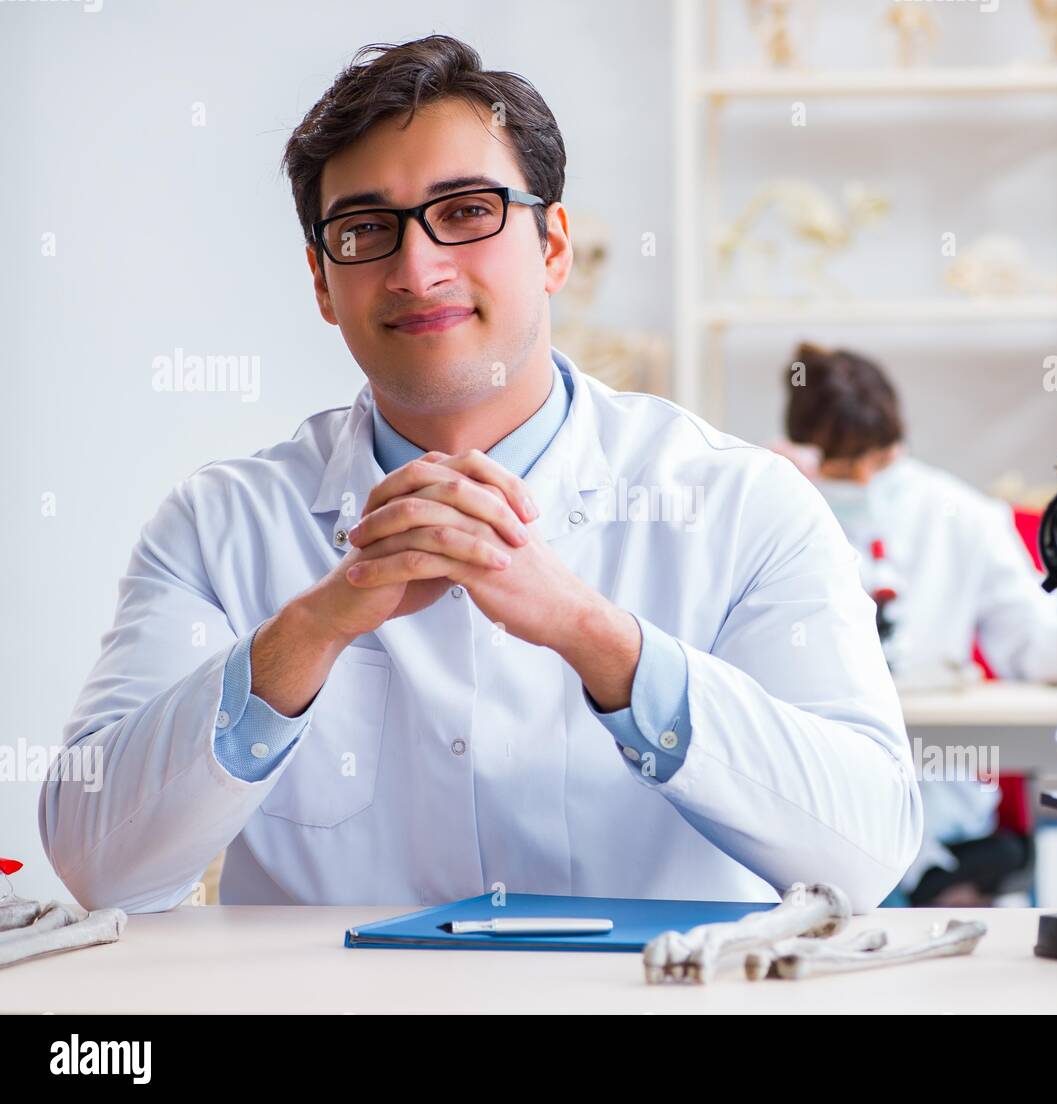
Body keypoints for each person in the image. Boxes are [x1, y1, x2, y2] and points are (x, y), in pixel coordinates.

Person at [40, 37, 921, 914]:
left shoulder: (742, 505)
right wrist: (308, 633)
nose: (417, 268)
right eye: (365, 230)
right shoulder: (220, 524)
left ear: (553, 246)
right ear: (321, 280)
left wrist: (596, 637)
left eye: (466, 211)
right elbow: (96, 863)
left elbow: (865, 851)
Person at [777, 342, 1057, 906]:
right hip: (812, 800)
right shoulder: (775, 507)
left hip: (942, 810)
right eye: (845, 468)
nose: (867, 480)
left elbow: (1034, 645)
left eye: (881, 459)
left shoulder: (960, 515)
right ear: (808, 454)